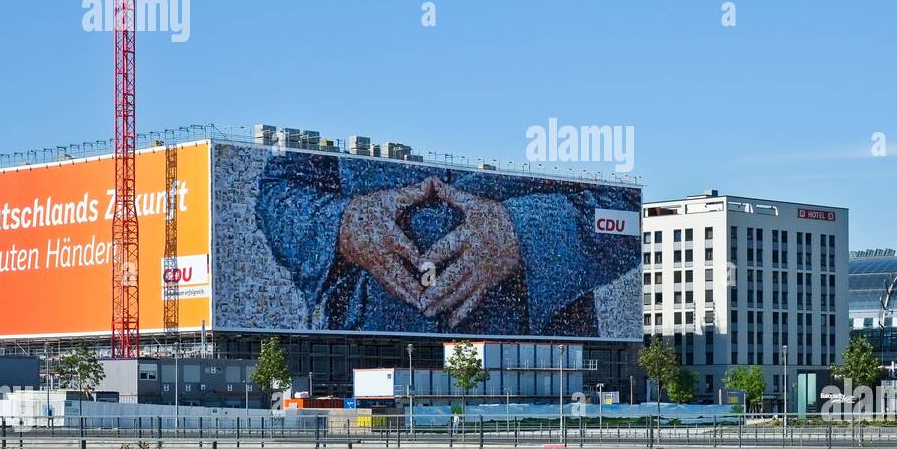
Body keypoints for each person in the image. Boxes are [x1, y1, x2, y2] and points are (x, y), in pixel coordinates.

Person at [256, 153, 640, 337]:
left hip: (541, 357)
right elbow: (280, 190)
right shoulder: (346, 65)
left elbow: (629, 211)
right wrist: (345, 224)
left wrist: (522, 232)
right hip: (362, 347)